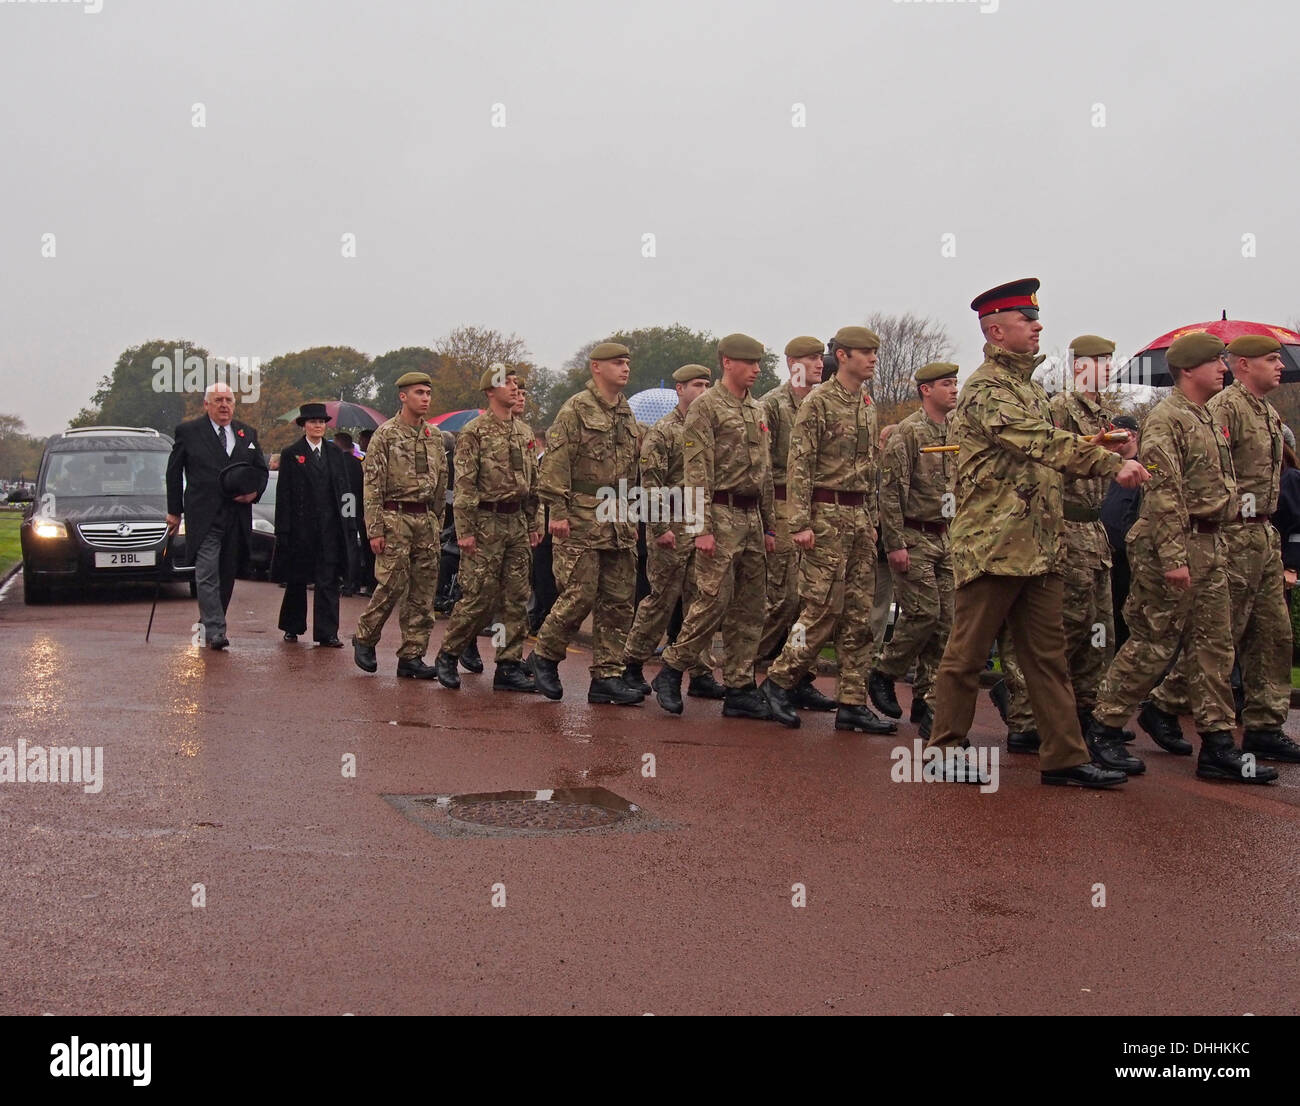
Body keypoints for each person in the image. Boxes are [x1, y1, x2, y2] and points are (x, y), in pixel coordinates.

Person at [925, 277, 1145, 788]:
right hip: (996, 546)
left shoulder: (1027, 388)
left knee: (1048, 659)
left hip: (1039, 548)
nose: (1037, 325)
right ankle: (942, 749)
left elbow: (1047, 453)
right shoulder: (986, 389)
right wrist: (1107, 461)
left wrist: (1092, 446)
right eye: (1027, 320)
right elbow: (1036, 441)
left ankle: (1064, 756)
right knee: (966, 655)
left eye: (1035, 318)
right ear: (997, 331)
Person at [1088, 333, 1278, 784]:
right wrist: (1174, 557)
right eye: (1214, 362)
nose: (1224, 368)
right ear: (1188, 371)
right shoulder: (1166, 420)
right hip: (1171, 543)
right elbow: (1163, 493)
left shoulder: (1207, 418)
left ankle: (1217, 747)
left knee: (1215, 646)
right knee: (1154, 642)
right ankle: (1104, 726)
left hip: (1211, 542)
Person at [1141, 334, 1300, 765]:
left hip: (1262, 535)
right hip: (1228, 534)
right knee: (1219, 637)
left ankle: (1265, 726)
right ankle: (1164, 703)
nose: (1280, 366)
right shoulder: (1222, 408)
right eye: (1270, 359)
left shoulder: (1266, 411)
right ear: (1243, 364)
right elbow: (1198, 475)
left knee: (1273, 632)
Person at [761, 326, 896, 733]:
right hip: (824, 517)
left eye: (875, 352)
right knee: (820, 609)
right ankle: (779, 680)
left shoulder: (868, 404)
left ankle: (852, 700)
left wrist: (872, 521)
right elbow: (799, 468)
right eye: (865, 352)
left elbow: (870, 469)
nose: (872, 359)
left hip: (857, 519)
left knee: (858, 615)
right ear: (844, 356)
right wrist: (799, 522)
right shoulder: (818, 402)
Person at [651, 333, 777, 719]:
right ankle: (671, 669)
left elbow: (766, 473)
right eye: (748, 362)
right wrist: (700, 527)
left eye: (758, 363)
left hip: (751, 517)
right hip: (718, 516)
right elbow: (696, 473)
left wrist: (769, 525)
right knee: (712, 601)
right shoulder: (705, 409)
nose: (756, 369)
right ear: (727, 362)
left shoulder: (757, 409)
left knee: (751, 607)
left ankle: (740, 685)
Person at [530, 342, 644, 705]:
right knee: (579, 595)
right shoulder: (576, 409)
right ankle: (544, 656)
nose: (625, 369)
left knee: (618, 600)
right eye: (617, 363)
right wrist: (558, 514)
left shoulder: (625, 412)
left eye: (627, 363)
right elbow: (555, 464)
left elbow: (631, 468)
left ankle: (607, 676)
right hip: (581, 516)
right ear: (596, 367)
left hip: (618, 516)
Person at [622, 364, 728, 699]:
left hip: (700, 522)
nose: (704, 389)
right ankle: (632, 664)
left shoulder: (710, 428)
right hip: (671, 521)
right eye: (697, 384)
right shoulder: (664, 431)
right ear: (680, 389)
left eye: (708, 384)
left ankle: (699, 672)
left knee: (701, 601)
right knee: (661, 600)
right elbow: (650, 485)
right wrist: (659, 528)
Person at [433, 366, 541, 693]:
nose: (513, 388)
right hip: (485, 521)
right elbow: (464, 485)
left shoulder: (524, 432)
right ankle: (449, 654)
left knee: (516, 598)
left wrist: (535, 521)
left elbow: (533, 482)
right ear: (490, 391)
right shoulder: (474, 432)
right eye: (506, 383)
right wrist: (464, 530)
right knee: (478, 595)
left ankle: (507, 665)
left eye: (515, 383)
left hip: (516, 521)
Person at [869, 361, 959, 737]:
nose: (954, 389)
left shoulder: (957, 430)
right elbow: (890, 493)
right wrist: (895, 544)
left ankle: (928, 699)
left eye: (956, 383)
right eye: (946, 384)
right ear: (926, 390)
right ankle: (884, 672)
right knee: (922, 613)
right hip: (914, 535)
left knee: (946, 624)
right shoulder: (908, 433)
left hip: (947, 537)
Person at [1048, 335, 1125, 746]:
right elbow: (1053, 462)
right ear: (1079, 366)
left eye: (1110, 360)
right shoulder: (1060, 409)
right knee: (1069, 626)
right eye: (1100, 360)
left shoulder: (1102, 415)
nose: (1108, 367)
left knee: (1100, 630)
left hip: (1094, 530)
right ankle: (1041, 710)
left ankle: (1089, 715)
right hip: (1068, 527)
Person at [351, 372, 448, 678]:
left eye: (428, 393)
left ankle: (412, 655)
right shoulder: (386, 435)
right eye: (419, 392)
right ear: (403, 396)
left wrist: (437, 521)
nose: (426, 398)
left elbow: (441, 482)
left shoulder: (435, 437)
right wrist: (375, 529)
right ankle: (365, 637)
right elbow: (373, 485)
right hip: (395, 516)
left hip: (426, 520)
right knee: (391, 583)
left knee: (423, 591)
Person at [754, 339, 833, 708]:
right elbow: (762, 466)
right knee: (783, 597)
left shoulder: (823, 403)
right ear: (792, 363)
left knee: (810, 600)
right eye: (812, 358)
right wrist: (768, 520)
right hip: (783, 506)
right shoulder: (772, 405)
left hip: (817, 510)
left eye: (821, 357)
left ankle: (798, 671)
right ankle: (760, 663)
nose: (819, 364)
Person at [165, 381, 269, 650]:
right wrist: (174, 512)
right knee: (206, 572)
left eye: (229, 400)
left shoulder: (247, 433)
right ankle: (216, 630)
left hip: (237, 516)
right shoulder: (188, 432)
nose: (224, 405)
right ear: (206, 404)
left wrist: (254, 493)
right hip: (205, 516)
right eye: (219, 400)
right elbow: (174, 473)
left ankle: (208, 622)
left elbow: (261, 469)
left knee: (226, 574)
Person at [272, 403, 350, 647]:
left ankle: (328, 632)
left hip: (330, 528)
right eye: (312, 422)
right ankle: (292, 627)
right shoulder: (291, 453)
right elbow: (283, 495)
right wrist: (283, 530)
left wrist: (350, 522)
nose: (318, 425)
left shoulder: (335, 453)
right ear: (303, 425)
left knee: (328, 579)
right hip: (301, 528)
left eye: (321, 421)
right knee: (297, 579)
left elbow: (346, 491)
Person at [1100, 413, 1142, 645]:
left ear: (1132, 435)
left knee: (1126, 615)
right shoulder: (1107, 467)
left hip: (1128, 555)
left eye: (1118, 434)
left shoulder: (1145, 465)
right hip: (1103, 553)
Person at [331, 430, 367, 595]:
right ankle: (355, 580)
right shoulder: (358, 463)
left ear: (339, 444)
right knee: (354, 542)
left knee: (347, 541)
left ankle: (348, 580)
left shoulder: (338, 463)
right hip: (358, 504)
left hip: (345, 504)